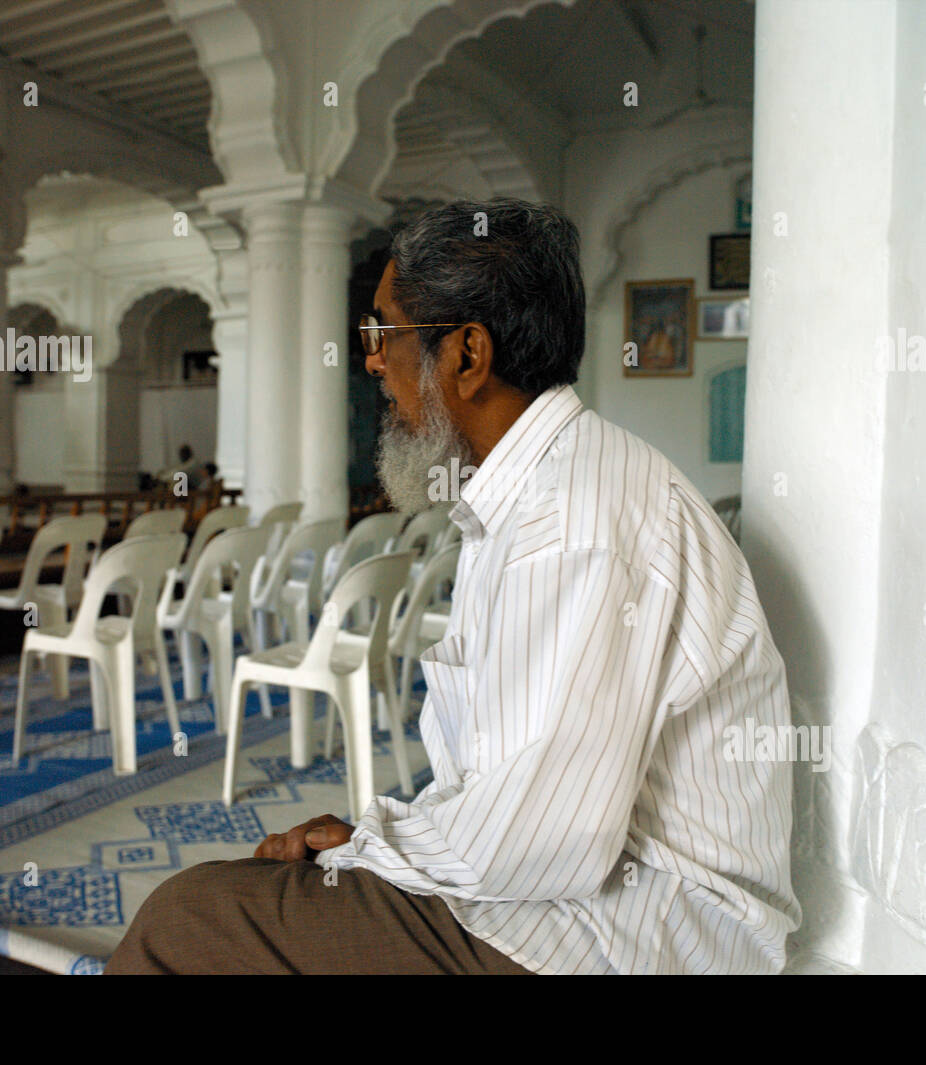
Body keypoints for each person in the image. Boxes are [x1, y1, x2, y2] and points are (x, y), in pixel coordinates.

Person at [106, 199, 800, 975]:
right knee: (251, 894)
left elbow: (547, 831)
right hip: (578, 892)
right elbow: (505, 785)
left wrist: (369, 851)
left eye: (382, 333)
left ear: (467, 353)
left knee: (189, 920)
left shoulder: (573, 519)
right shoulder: (531, 495)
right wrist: (372, 839)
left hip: (648, 926)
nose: (371, 360)